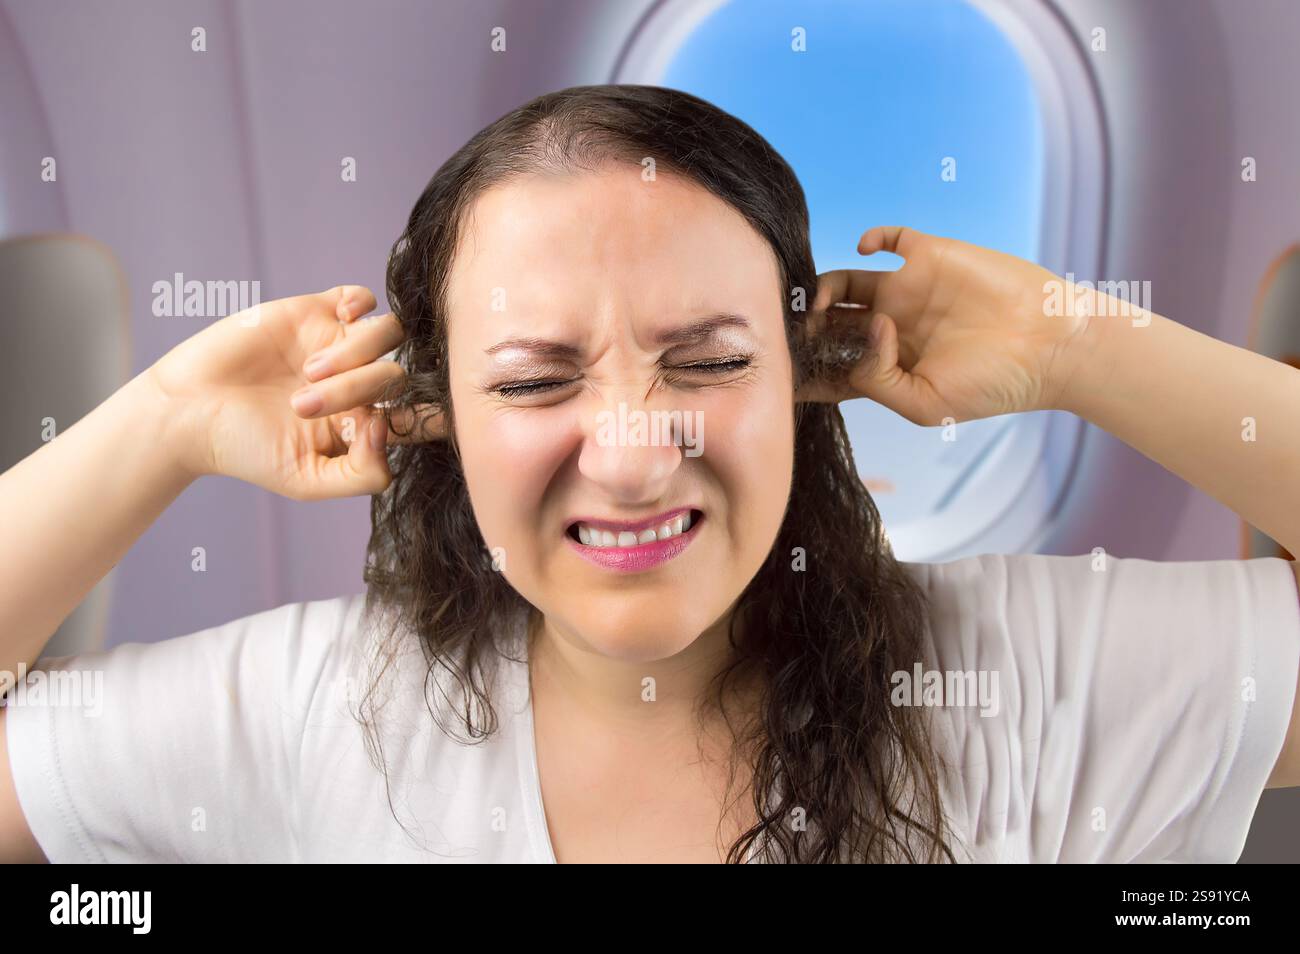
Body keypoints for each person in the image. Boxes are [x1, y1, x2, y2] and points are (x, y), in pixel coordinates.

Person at [1, 85, 1298, 864]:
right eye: (532, 379)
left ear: (802, 383)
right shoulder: (320, 711)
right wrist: (165, 419)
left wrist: (1080, 348)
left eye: (705, 363)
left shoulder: (1015, 676)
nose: (629, 453)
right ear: (437, 412)